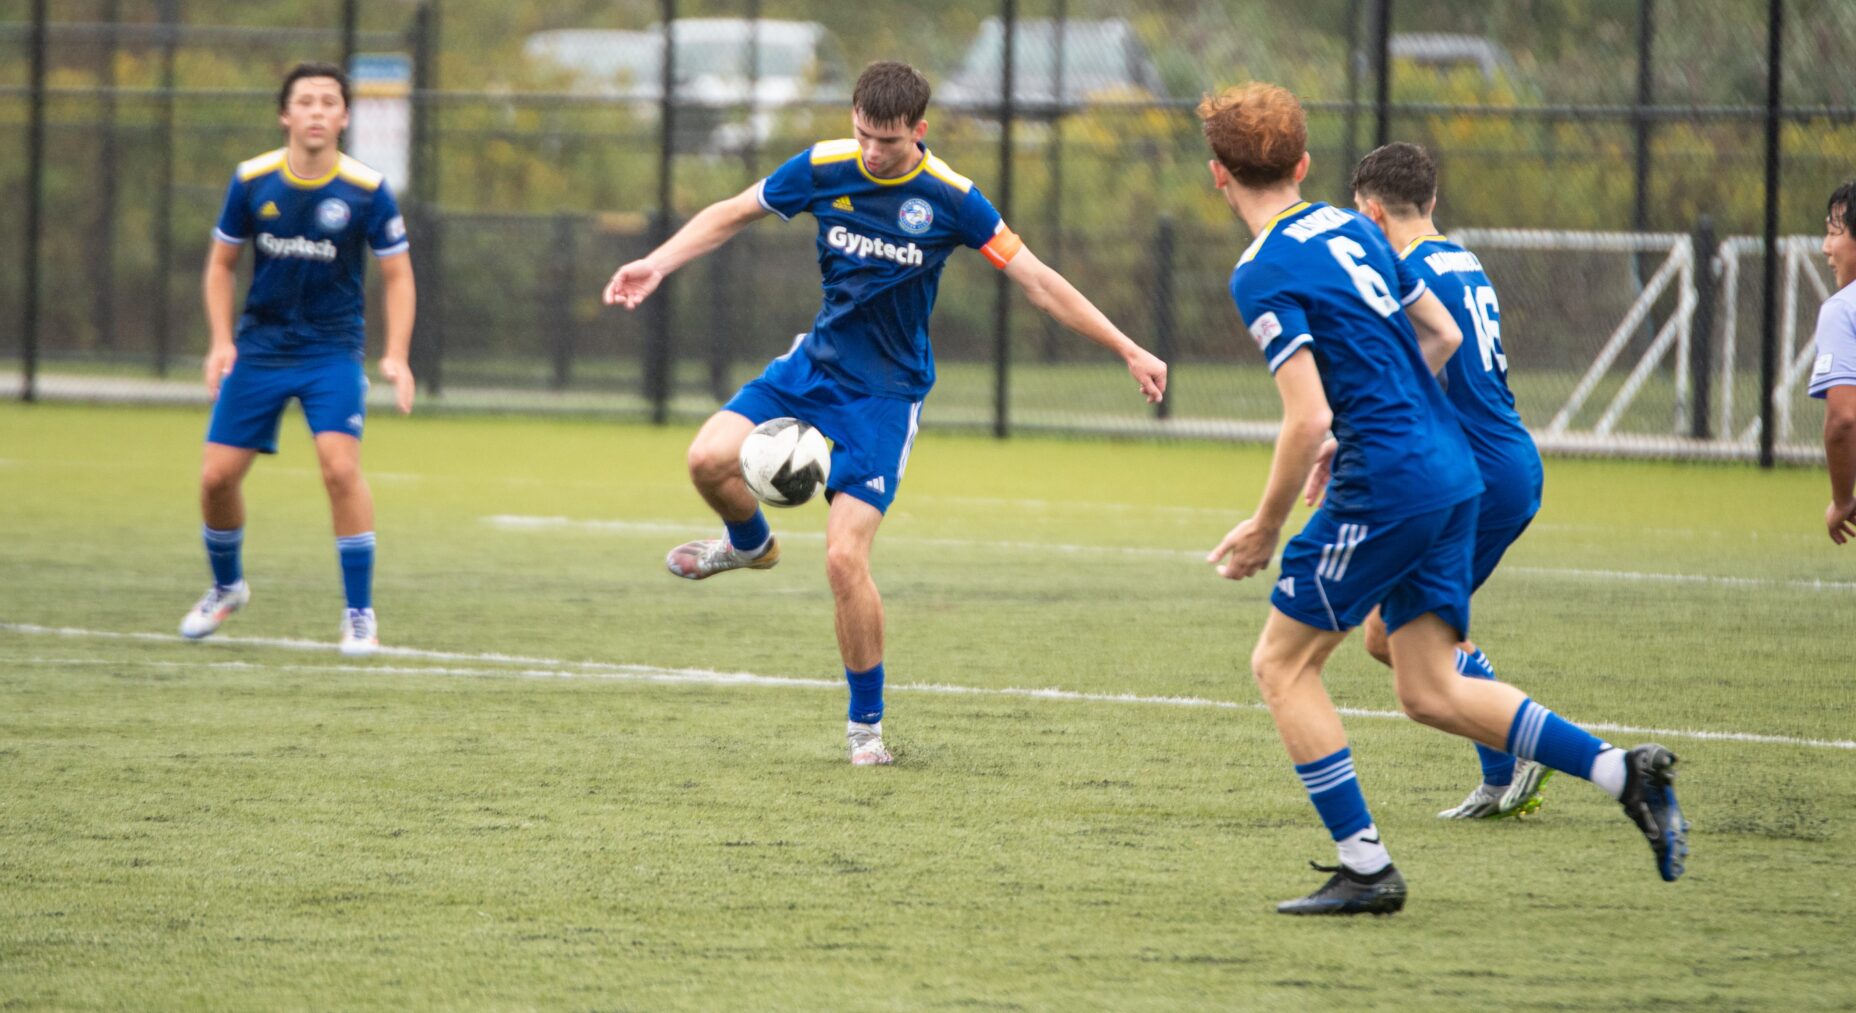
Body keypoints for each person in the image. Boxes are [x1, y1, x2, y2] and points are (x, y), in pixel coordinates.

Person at [1197, 82, 1685, 915]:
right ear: (1304, 164)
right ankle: (1622, 771)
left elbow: (1305, 415)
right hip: (1454, 471)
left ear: (1218, 174)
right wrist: (1383, 418)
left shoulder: (1262, 268)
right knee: (1428, 687)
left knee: (1281, 664)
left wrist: (1267, 525)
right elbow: (1442, 333)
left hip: (1387, 482)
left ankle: (1365, 868)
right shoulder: (1354, 226)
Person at [603, 60, 1166, 766]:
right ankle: (749, 544)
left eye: (889, 141)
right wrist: (657, 262)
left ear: (919, 130)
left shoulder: (952, 198)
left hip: (885, 397)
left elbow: (1038, 282)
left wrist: (1126, 347)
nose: (872, 151)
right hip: (813, 368)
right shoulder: (823, 167)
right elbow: (732, 212)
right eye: (864, 134)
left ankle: (865, 729)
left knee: (844, 559)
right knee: (706, 459)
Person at [1315, 142, 1550, 819]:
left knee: (1393, 633)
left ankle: (1520, 746)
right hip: (1501, 461)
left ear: (1370, 212)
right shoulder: (1460, 259)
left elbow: (1409, 376)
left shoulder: (1403, 274)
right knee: (1397, 631)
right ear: (1433, 200)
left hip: (1477, 473)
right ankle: (1504, 771)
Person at [179, 63, 416, 656]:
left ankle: (359, 614)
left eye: (329, 102)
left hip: (330, 351)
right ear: (285, 115)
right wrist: (220, 341)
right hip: (260, 348)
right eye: (305, 101)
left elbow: (397, 275)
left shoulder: (366, 189)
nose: (316, 111)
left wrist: (396, 354)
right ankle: (227, 587)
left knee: (339, 469)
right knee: (216, 479)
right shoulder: (253, 180)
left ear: (344, 117)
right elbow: (221, 266)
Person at [1810, 179, 1856, 544]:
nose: (1826, 247)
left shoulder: (1843, 310)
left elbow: (1842, 419)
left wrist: (1842, 500)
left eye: (1833, 233)